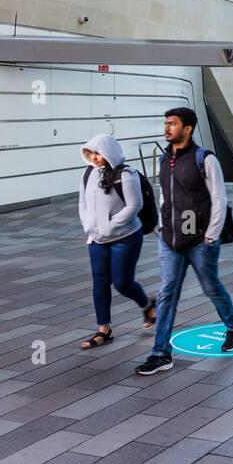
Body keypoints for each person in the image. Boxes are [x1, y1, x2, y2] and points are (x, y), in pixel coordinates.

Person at [134, 108, 233, 376]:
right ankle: (160, 353)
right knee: (168, 292)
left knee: (210, 286)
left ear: (188, 128)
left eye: (172, 124)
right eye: (166, 124)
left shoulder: (204, 159)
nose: (166, 129)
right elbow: (164, 196)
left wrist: (210, 236)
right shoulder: (163, 159)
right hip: (170, 239)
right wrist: (162, 227)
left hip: (200, 240)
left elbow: (219, 199)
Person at [78, 134, 156, 350]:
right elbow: (83, 204)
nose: (94, 157)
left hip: (126, 237)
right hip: (97, 239)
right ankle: (104, 330)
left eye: (98, 152)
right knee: (100, 282)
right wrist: (90, 227)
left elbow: (134, 206)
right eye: (91, 153)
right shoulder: (88, 174)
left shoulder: (127, 174)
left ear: (109, 152)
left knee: (122, 283)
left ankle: (147, 304)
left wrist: (109, 226)